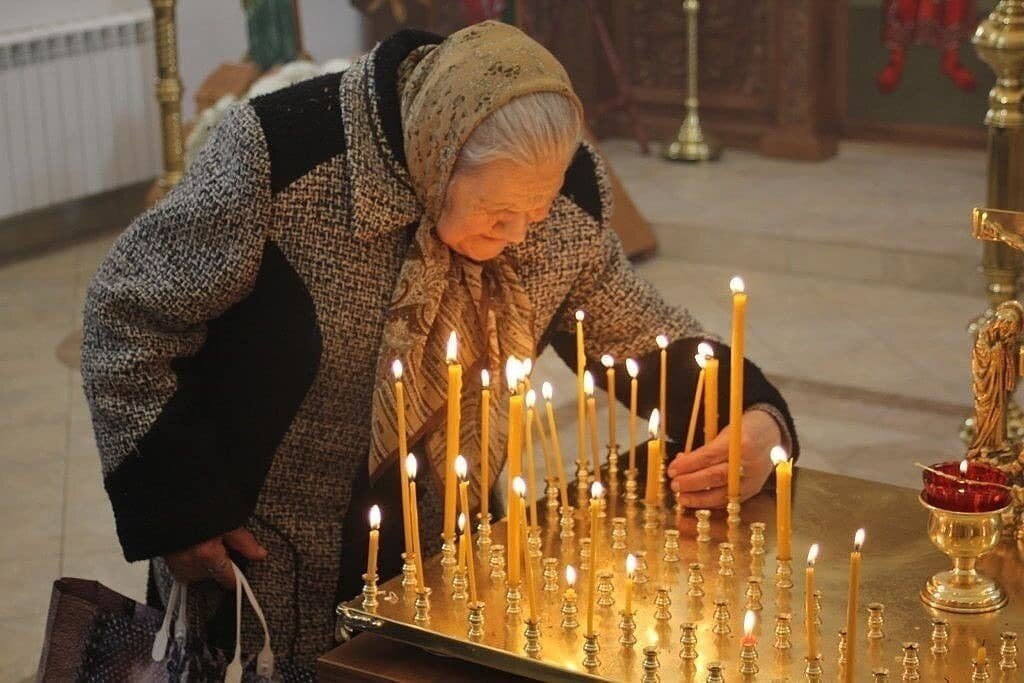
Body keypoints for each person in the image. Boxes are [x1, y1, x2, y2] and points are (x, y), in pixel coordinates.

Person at [81, 21, 796, 675]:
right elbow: (127, 314)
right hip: (265, 569)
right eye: (498, 214)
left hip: (445, 572)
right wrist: (180, 504)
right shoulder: (287, 158)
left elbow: (638, 331)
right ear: (439, 156)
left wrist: (757, 419)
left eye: (536, 213)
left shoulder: (557, 203)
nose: (521, 236)